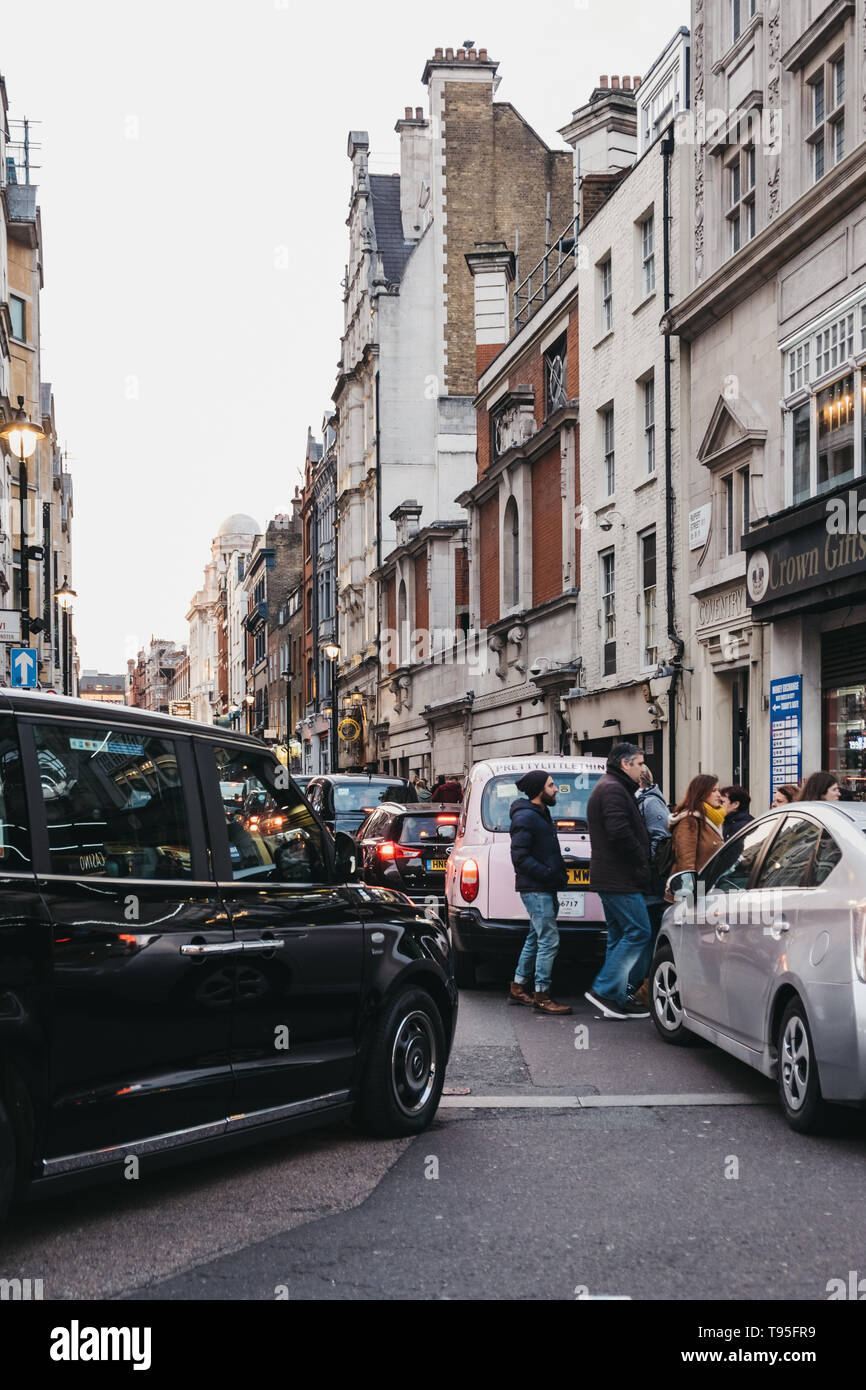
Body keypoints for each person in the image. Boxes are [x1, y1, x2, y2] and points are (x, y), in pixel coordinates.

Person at [584, 744, 653, 1020]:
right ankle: (604, 990)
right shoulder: (613, 789)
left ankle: (613, 1000)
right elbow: (619, 831)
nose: (642, 769)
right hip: (619, 877)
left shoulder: (611, 785)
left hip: (610, 877)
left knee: (618, 936)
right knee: (639, 932)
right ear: (625, 764)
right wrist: (641, 860)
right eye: (639, 763)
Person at [508, 770, 572, 1016]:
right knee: (549, 939)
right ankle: (542, 995)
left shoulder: (541, 814)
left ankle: (518, 986)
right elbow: (520, 857)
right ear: (538, 790)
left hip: (544, 886)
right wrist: (547, 873)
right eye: (551, 785)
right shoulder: (526, 817)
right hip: (536, 888)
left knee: (536, 937)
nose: (556, 789)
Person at [633, 765, 672, 1006]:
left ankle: (643, 988)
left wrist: (648, 866)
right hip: (645, 884)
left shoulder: (650, 803)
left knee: (647, 936)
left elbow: (660, 836)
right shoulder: (643, 801)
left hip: (651, 885)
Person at [669, 774, 725, 876]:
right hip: (698, 884)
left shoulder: (713, 819)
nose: (719, 795)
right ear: (701, 793)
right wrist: (691, 889)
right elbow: (686, 863)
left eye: (718, 790)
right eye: (714, 790)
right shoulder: (690, 820)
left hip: (709, 883)